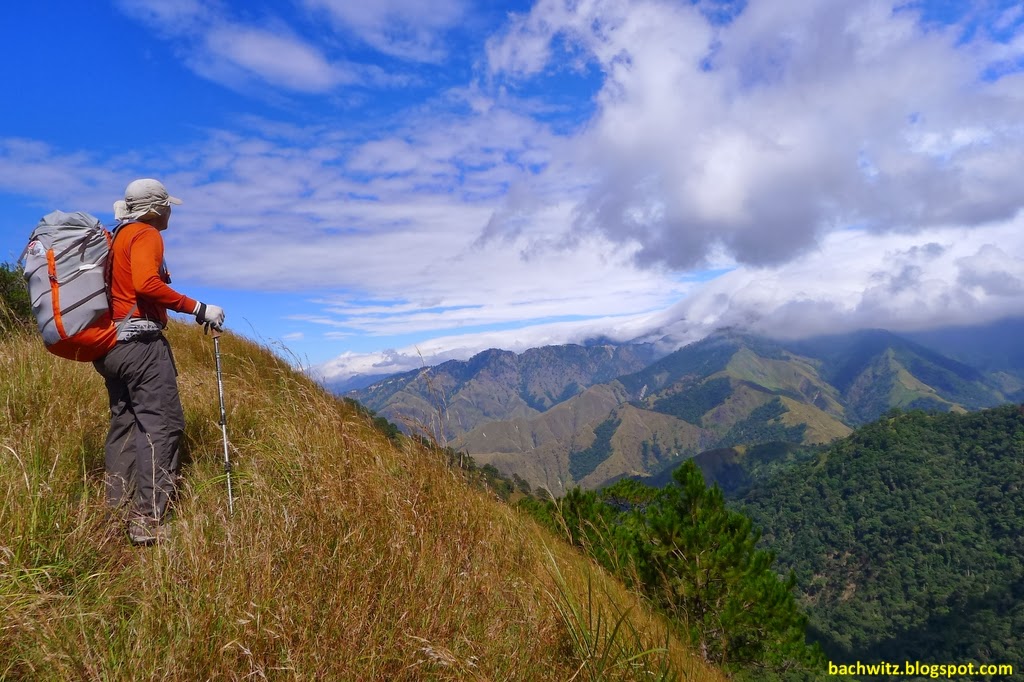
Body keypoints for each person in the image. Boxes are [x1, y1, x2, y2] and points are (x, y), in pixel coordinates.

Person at [93, 178, 225, 544]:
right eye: (167, 206)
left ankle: (114, 513)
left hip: (111, 346)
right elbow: (147, 284)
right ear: (156, 208)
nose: (170, 212)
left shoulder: (118, 236)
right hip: (142, 345)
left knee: (125, 425)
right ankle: (148, 522)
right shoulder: (146, 234)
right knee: (162, 426)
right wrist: (199, 309)